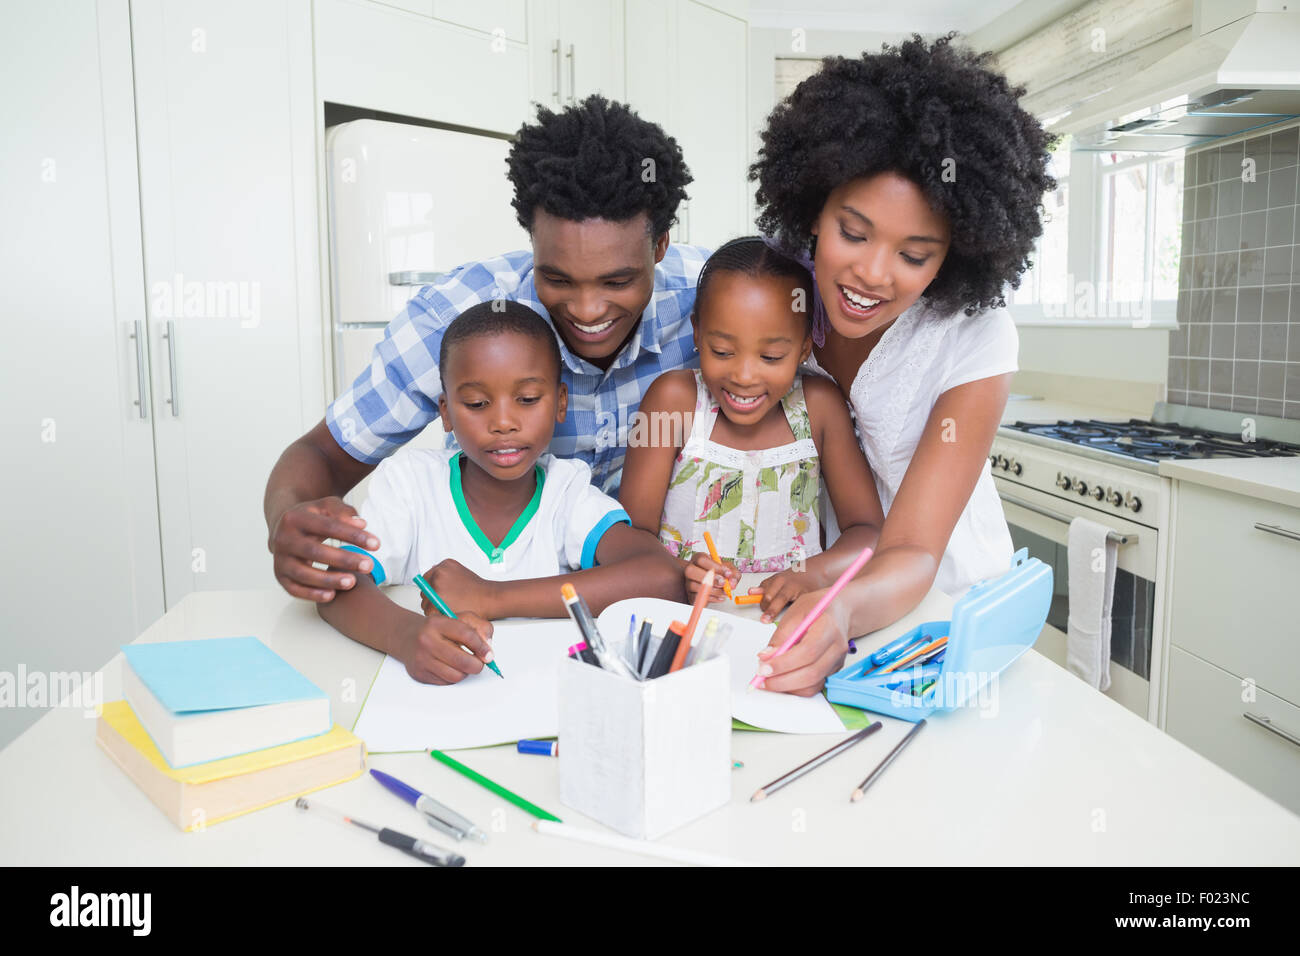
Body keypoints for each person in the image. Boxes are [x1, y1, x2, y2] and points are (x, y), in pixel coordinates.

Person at [265, 95, 706, 604]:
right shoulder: (458, 319)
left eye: (618, 280)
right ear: (532, 243)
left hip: (638, 599)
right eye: (557, 277)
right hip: (479, 610)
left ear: (660, 247)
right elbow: (320, 453)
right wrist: (289, 518)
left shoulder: (716, 302)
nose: (587, 310)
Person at [746, 34, 1056, 695]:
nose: (871, 274)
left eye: (915, 255)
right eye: (852, 233)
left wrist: (842, 607)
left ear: (959, 254)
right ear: (812, 209)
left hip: (953, 609)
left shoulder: (974, 335)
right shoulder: (780, 302)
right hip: (827, 592)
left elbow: (916, 549)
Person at [316, 302, 685, 685]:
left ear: (560, 403)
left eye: (527, 399)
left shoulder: (567, 491)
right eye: (477, 404)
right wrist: (407, 637)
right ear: (446, 412)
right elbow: (339, 586)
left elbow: (661, 577)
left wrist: (491, 596)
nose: (504, 423)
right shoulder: (409, 483)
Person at [619, 237, 882, 624]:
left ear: (804, 347)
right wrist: (680, 572)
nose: (743, 376)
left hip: (785, 627)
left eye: (771, 357)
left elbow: (868, 531)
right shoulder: (672, 400)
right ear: (697, 333)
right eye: (722, 351)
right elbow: (631, 532)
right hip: (682, 620)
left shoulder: (819, 406)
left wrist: (813, 574)